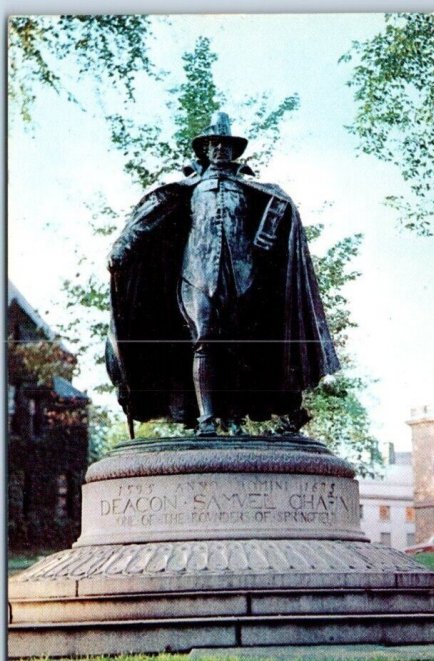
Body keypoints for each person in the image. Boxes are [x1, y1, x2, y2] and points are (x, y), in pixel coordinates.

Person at [106, 112, 340, 436]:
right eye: (214, 144)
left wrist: (270, 228)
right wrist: (123, 246)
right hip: (196, 277)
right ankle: (205, 419)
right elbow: (150, 216)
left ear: (233, 150)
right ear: (205, 149)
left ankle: (232, 416)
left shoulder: (247, 187)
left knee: (235, 346)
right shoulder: (188, 188)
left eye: (225, 144)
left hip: (241, 277)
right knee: (202, 341)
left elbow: (281, 206)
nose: (220, 149)